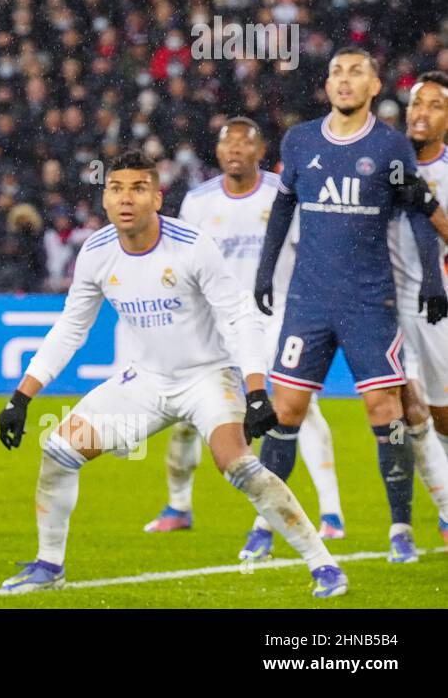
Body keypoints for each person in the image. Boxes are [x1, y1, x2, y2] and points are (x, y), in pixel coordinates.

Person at [0, 150, 347, 599]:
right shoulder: (97, 253)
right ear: (106, 199)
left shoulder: (191, 245)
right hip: (144, 381)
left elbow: (238, 315)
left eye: (138, 189)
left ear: (157, 198)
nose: (126, 198)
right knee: (60, 450)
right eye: (117, 188)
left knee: (238, 465)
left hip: (207, 377)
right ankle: (49, 565)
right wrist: (22, 396)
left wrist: (256, 389)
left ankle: (324, 565)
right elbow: (70, 328)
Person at [246, 48, 447, 565]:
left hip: (369, 302)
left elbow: (420, 214)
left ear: (375, 85)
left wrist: (430, 278)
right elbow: (284, 205)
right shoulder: (301, 139)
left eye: (356, 71)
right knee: (284, 412)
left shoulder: (391, 147)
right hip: (308, 301)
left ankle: (400, 528)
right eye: (337, 70)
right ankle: (264, 526)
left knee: (387, 413)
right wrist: (265, 271)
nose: (344, 79)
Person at [142, 117, 345, 538]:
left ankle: (331, 514)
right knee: (183, 416)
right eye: (227, 142)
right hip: (216, 325)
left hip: (278, 317)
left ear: (259, 151)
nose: (234, 149)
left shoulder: (282, 193)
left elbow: (312, 249)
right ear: (217, 152)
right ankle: (178, 506)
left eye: (244, 142)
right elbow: (181, 265)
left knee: (300, 408)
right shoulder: (198, 203)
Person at [386, 71, 448, 548]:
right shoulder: (383, 158)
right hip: (384, 302)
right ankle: (439, 515)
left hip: (437, 305)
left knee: (441, 415)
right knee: (406, 408)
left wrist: (429, 206)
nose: (421, 112)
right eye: (416, 103)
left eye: (434, 105)